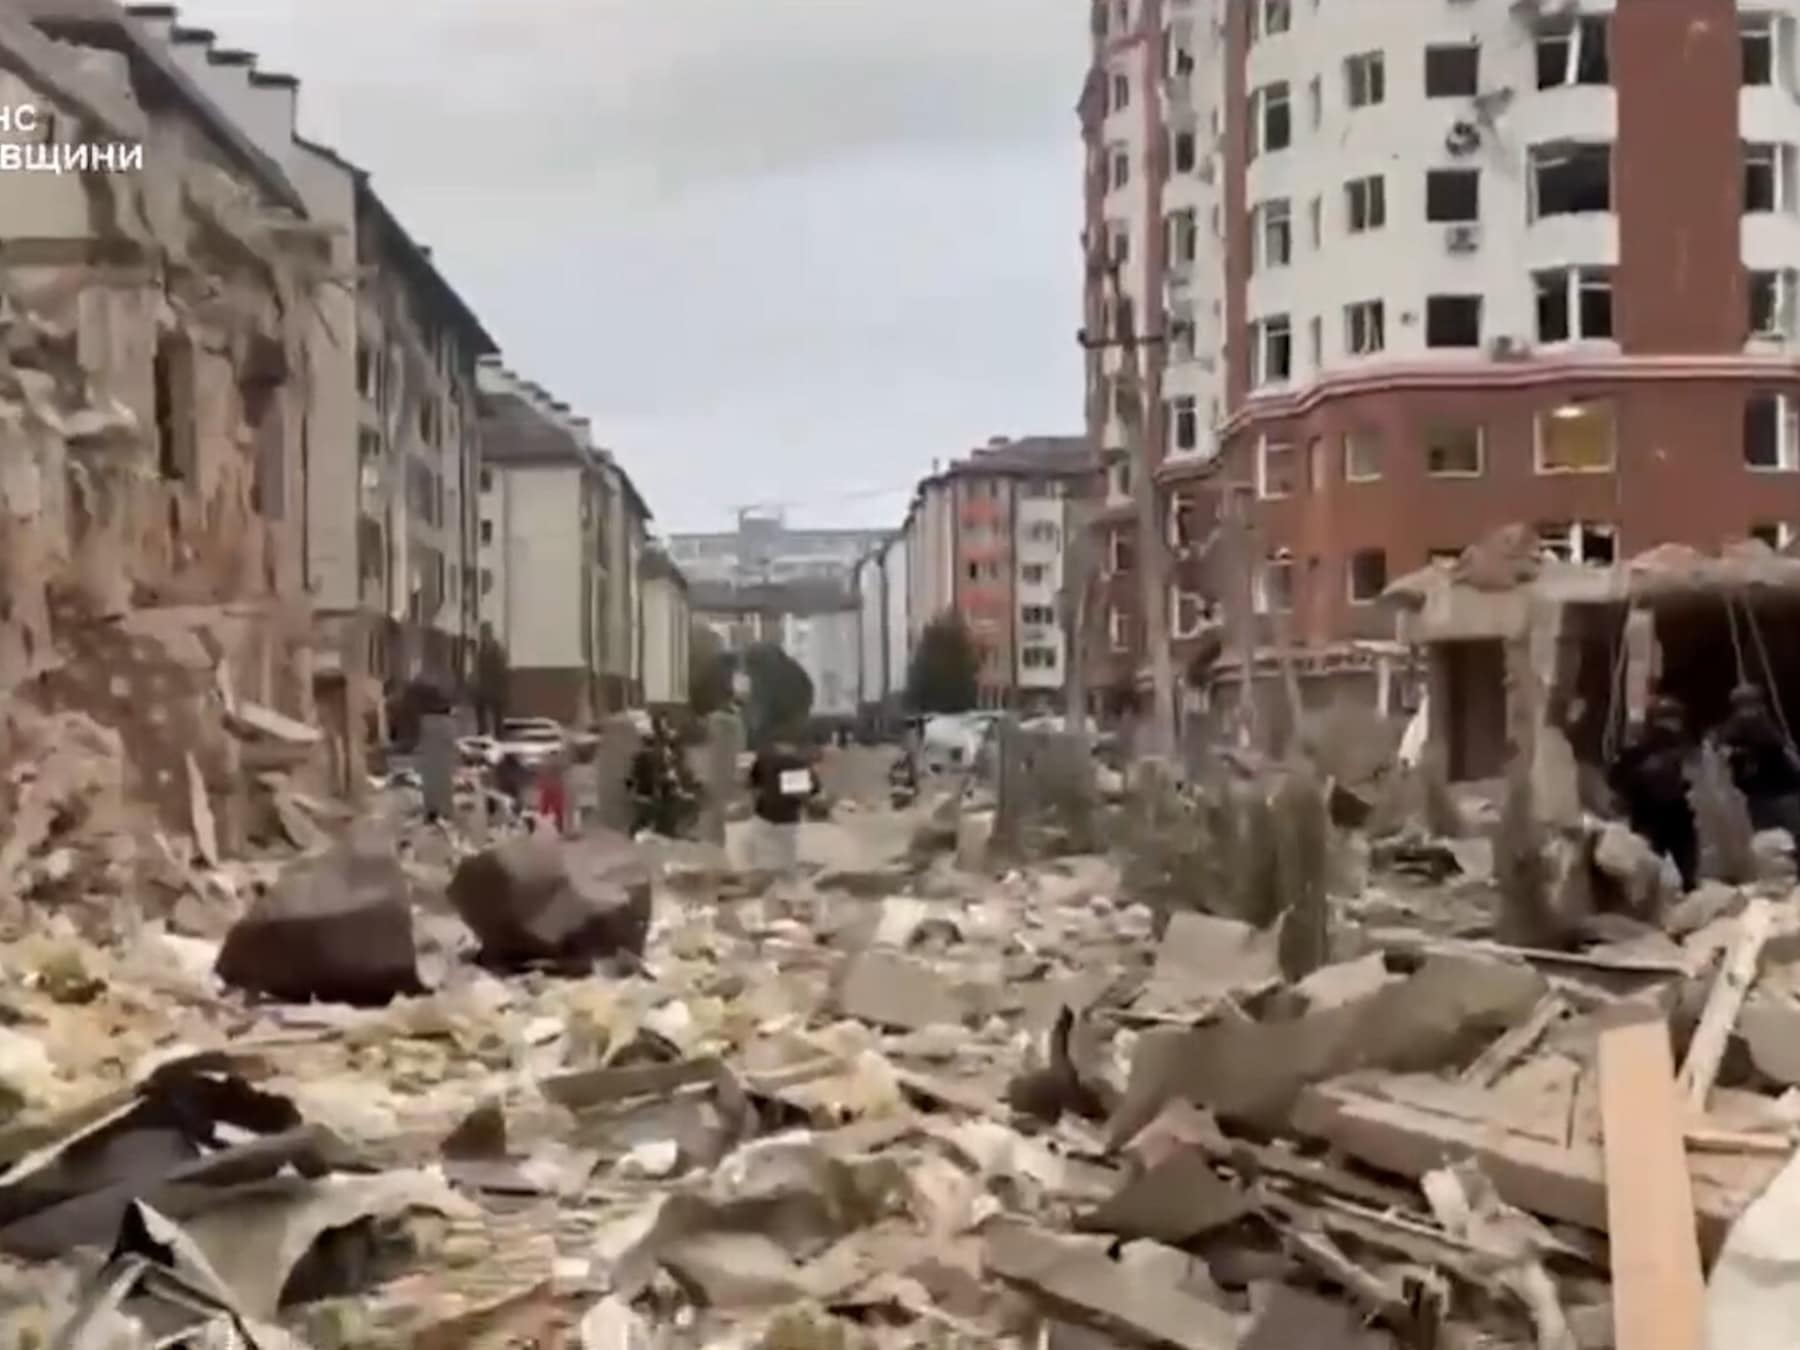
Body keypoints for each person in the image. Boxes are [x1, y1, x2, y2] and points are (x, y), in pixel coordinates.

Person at [1608, 694, 1699, 892]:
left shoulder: (1639, 747)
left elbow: (1616, 779)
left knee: (1650, 866)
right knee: (1680, 864)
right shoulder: (1678, 745)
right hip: (1667, 813)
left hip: (1653, 813)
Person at [1715, 682, 1800, 837]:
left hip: (1767, 793)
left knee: (1773, 840)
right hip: (1775, 791)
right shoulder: (1758, 724)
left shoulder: (1735, 727)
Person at [747, 737, 818, 872]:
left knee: (762, 862)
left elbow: (753, 788)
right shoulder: (797, 763)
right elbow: (803, 795)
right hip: (787, 820)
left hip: (763, 817)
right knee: (785, 862)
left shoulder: (764, 759)